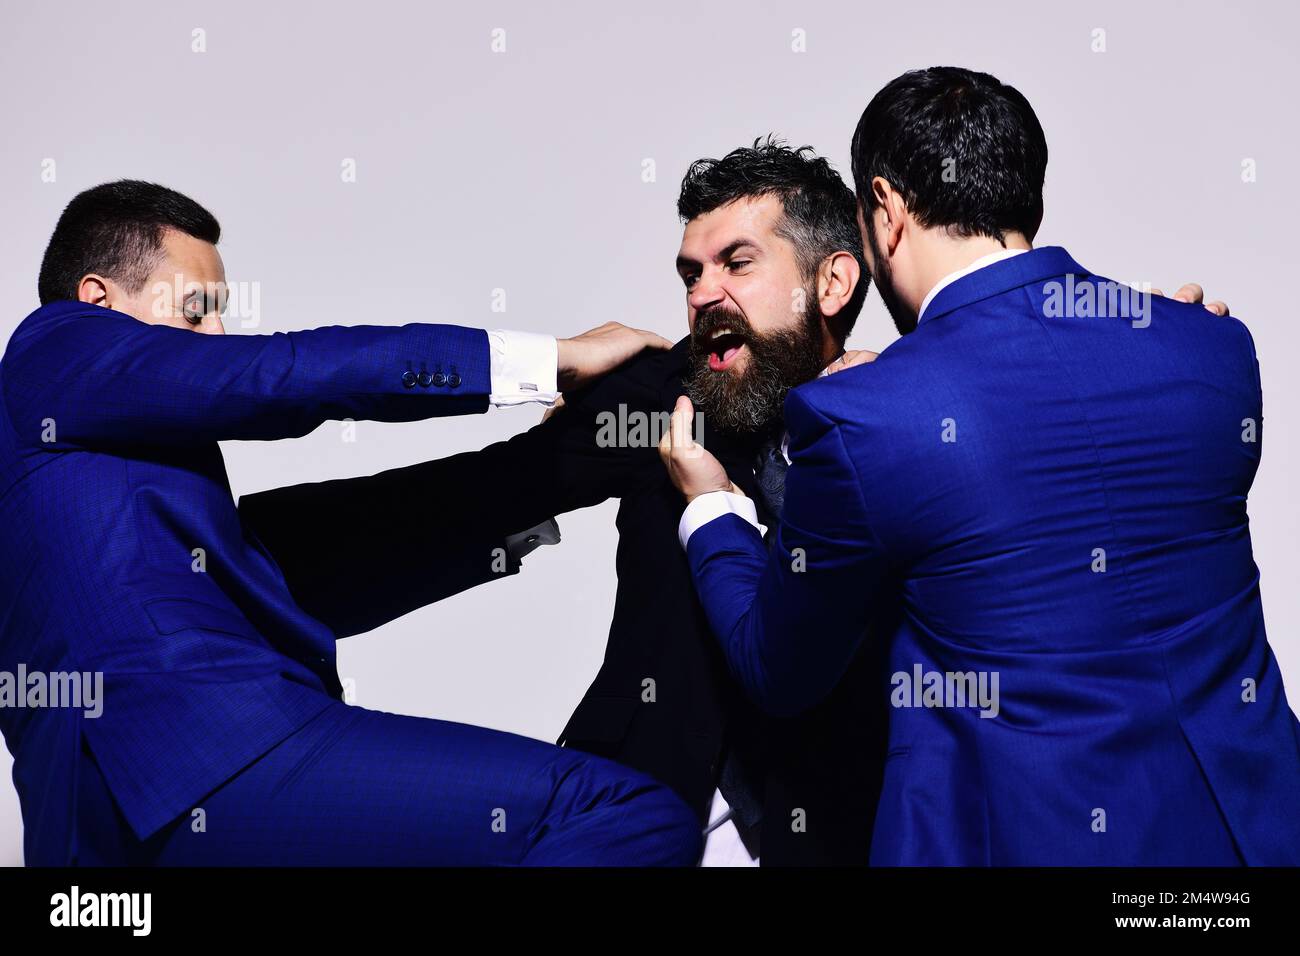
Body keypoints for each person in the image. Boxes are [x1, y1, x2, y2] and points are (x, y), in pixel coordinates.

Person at [660, 66, 1300, 865]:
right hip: (1248, 842)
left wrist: (711, 508)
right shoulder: (1212, 345)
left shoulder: (864, 418)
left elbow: (778, 668)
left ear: (885, 212)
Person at [0, 179, 703, 866]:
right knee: (619, 815)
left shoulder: (92, 474)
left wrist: (543, 478)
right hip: (197, 749)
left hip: (101, 816)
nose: (216, 334)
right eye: (195, 311)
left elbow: (288, 575)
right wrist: (552, 360)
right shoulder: (56, 345)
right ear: (98, 299)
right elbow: (284, 373)